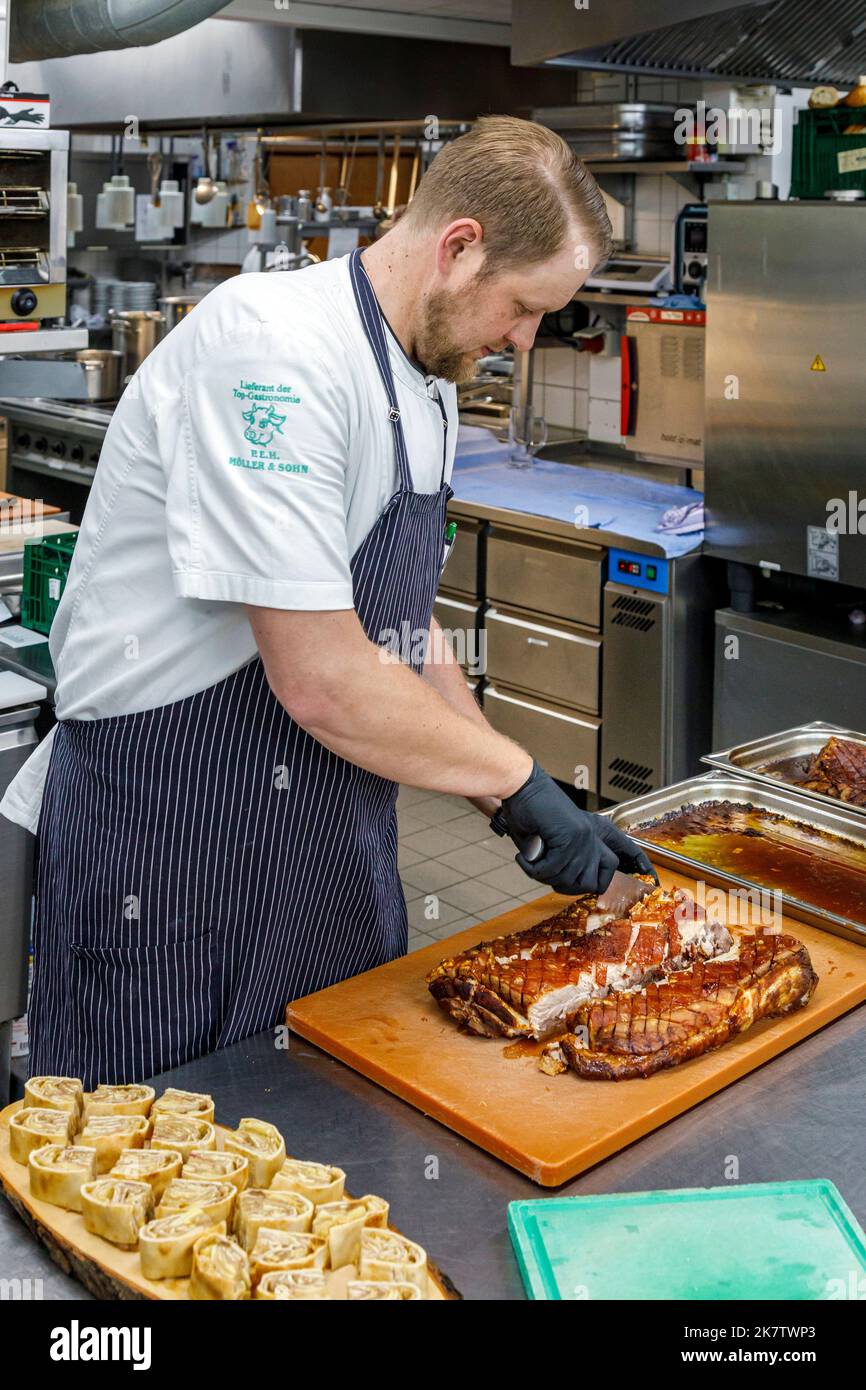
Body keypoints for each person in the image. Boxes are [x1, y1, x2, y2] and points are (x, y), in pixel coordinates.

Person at [1, 115, 651, 1087]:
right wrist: (516, 774)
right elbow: (323, 676)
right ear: (457, 248)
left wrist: (505, 798)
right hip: (172, 836)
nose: (522, 341)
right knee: (144, 1173)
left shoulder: (426, 382)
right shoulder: (270, 347)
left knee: (329, 1132)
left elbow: (399, 621)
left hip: (328, 842)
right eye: (522, 308)